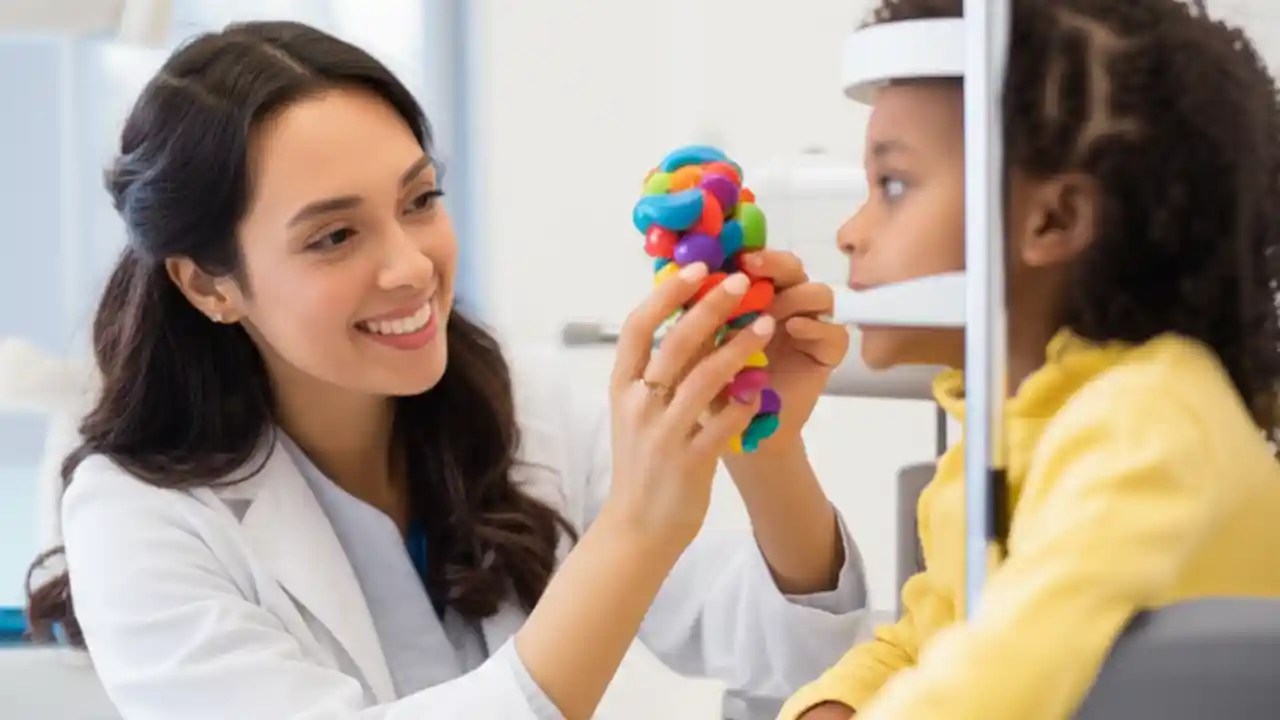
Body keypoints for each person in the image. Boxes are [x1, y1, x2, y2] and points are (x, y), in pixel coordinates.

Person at [22, 21, 869, 720]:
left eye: (419, 201)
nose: (411, 268)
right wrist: (640, 527)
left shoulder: (523, 405)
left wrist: (763, 439)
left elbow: (791, 653)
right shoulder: (137, 521)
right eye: (335, 236)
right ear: (208, 283)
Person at [784, 0, 1280, 718]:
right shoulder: (994, 445)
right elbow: (926, 644)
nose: (850, 232)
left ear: (1054, 220)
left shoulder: (1147, 420)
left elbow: (1002, 680)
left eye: (892, 186)